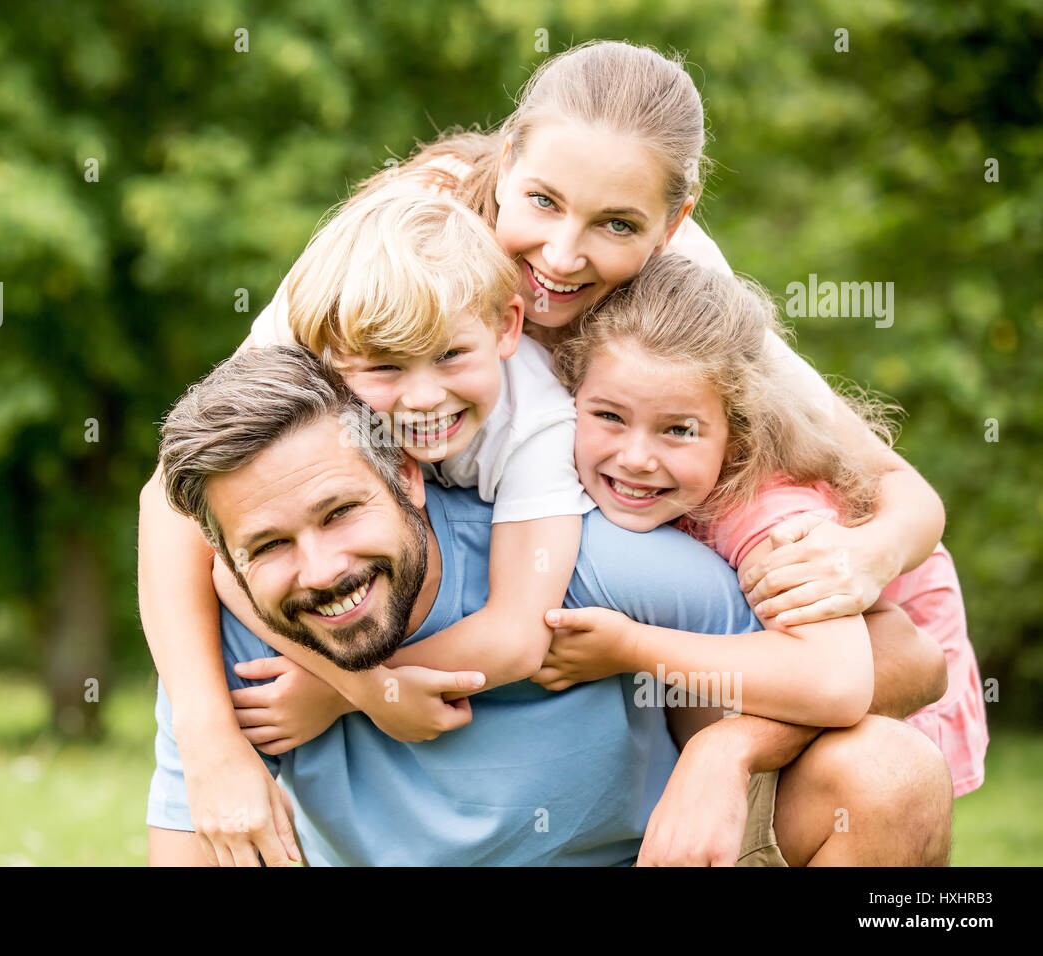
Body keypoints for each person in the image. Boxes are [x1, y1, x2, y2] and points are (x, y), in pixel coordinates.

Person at [137, 39, 949, 863]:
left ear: (674, 223)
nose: (561, 258)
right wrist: (236, 735)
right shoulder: (391, 262)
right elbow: (185, 494)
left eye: (618, 224)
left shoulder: (678, 333)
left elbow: (904, 556)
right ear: (509, 157)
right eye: (545, 203)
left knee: (883, 761)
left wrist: (867, 555)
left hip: (755, 577)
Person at [148, 344, 953, 867]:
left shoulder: (577, 556)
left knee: (887, 771)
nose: (321, 570)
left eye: (338, 513)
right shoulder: (225, 647)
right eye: (271, 545)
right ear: (224, 559)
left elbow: (906, 661)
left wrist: (729, 748)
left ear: (407, 476)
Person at [535, 254, 987, 796]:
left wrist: (629, 647)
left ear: (738, 435)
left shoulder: (769, 514)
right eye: (609, 416)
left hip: (897, 673)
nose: (635, 458)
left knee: (866, 788)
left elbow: (836, 683)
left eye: (677, 430)